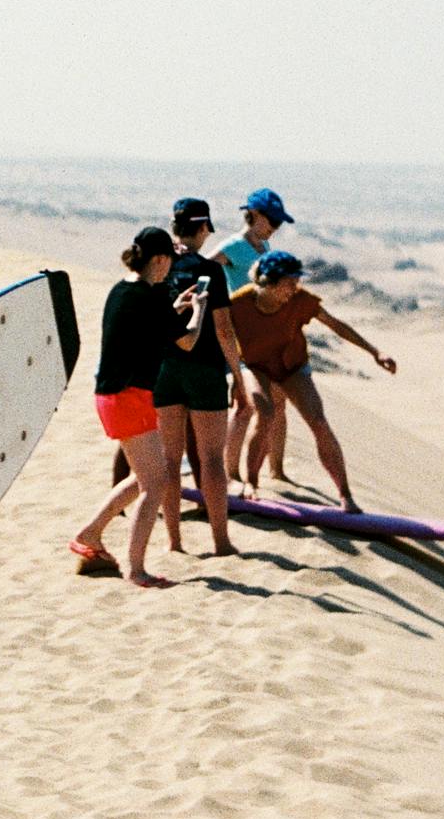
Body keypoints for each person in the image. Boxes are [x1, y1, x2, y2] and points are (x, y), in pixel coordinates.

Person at [68, 228, 191, 587]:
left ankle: (89, 535)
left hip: (112, 396)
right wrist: (195, 311)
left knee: (143, 477)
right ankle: (135, 568)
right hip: (129, 397)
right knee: (157, 482)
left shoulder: (123, 290)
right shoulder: (151, 298)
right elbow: (188, 341)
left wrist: (174, 309)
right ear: (159, 259)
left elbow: (145, 327)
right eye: (170, 260)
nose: (171, 269)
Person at [229, 249, 398, 512]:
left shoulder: (301, 300)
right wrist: (232, 378)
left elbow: (336, 324)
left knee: (318, 421)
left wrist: (375, 351)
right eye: (289, 283)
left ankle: (346, 495)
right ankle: (251, 482)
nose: (294, 288)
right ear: (268, 282)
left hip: (292, 365)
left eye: (297, 282)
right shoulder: (238, 304)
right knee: (264, 412)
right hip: (256, 365)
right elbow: (220, 338)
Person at [157, 197, 249, 554]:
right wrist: (239, 381)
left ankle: (174, 541)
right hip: (204, 369)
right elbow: (224, 331)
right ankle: (221, 541)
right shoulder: (208, 271)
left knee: (168, 457)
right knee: (211, 458)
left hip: (164, 368)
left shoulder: (159, 266)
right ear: (202, 228)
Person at [219, 188, 301, 489]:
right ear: (253, 215)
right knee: (245, 405)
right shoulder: (234, 246)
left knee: (279, 403)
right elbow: (204, 269)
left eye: (279, 223)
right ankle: (231, 473)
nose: (275, 228)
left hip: (268, 334)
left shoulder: (263, 245)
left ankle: (277, 472)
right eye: (273, 221)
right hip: (242, 338)